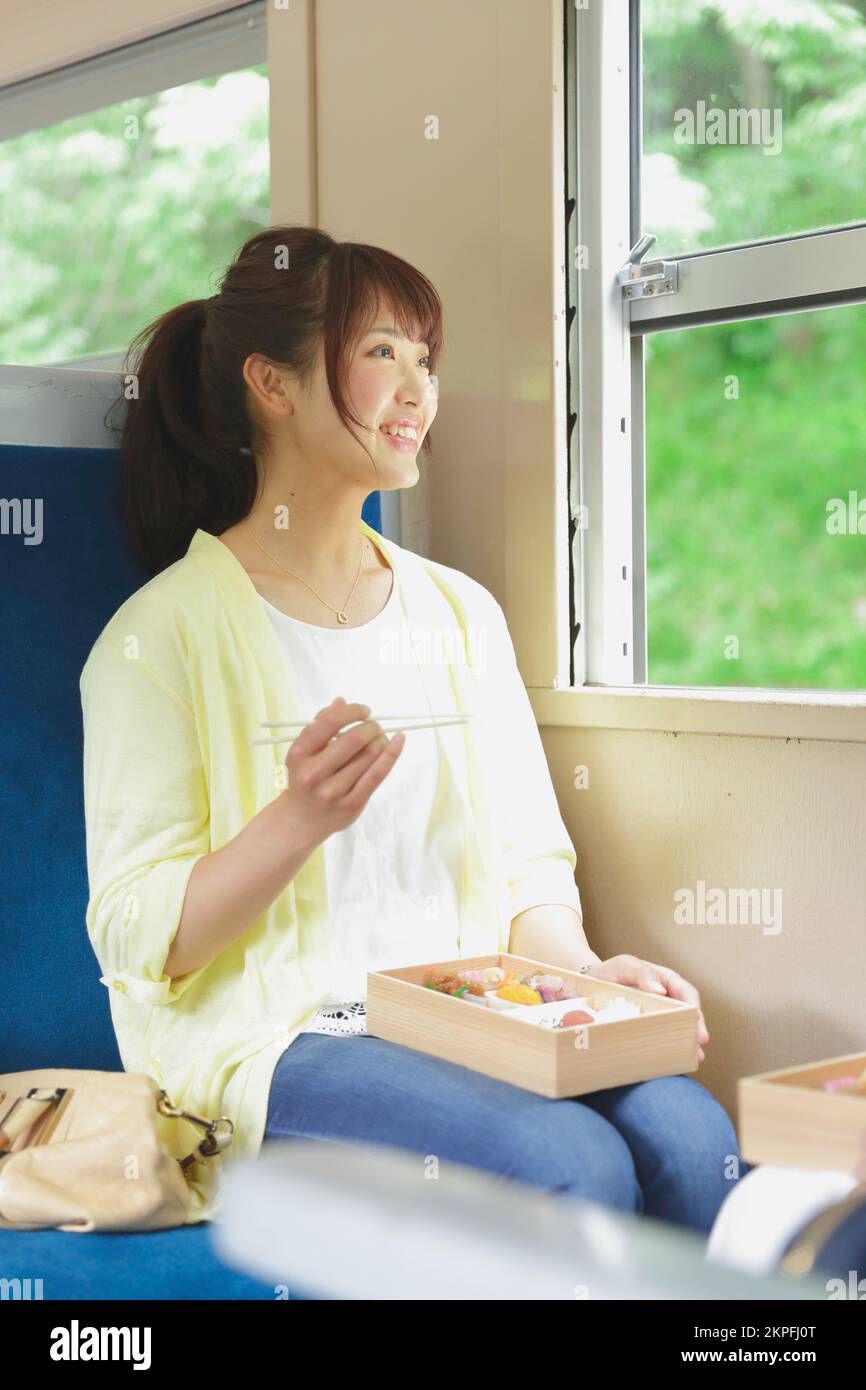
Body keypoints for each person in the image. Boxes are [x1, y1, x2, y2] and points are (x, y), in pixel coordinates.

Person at [80, 223, 744, 1233]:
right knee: (568, 1164)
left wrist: (585, 980)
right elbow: (137, 940)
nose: (417, 388)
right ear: (273, 383)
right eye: (382, 351)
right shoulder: (157, 638)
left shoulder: (459, 614)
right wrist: (296, 820)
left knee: (692, 1142)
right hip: (278, 1044)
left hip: (472, 1008)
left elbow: (525, 867)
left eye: (426, 358)